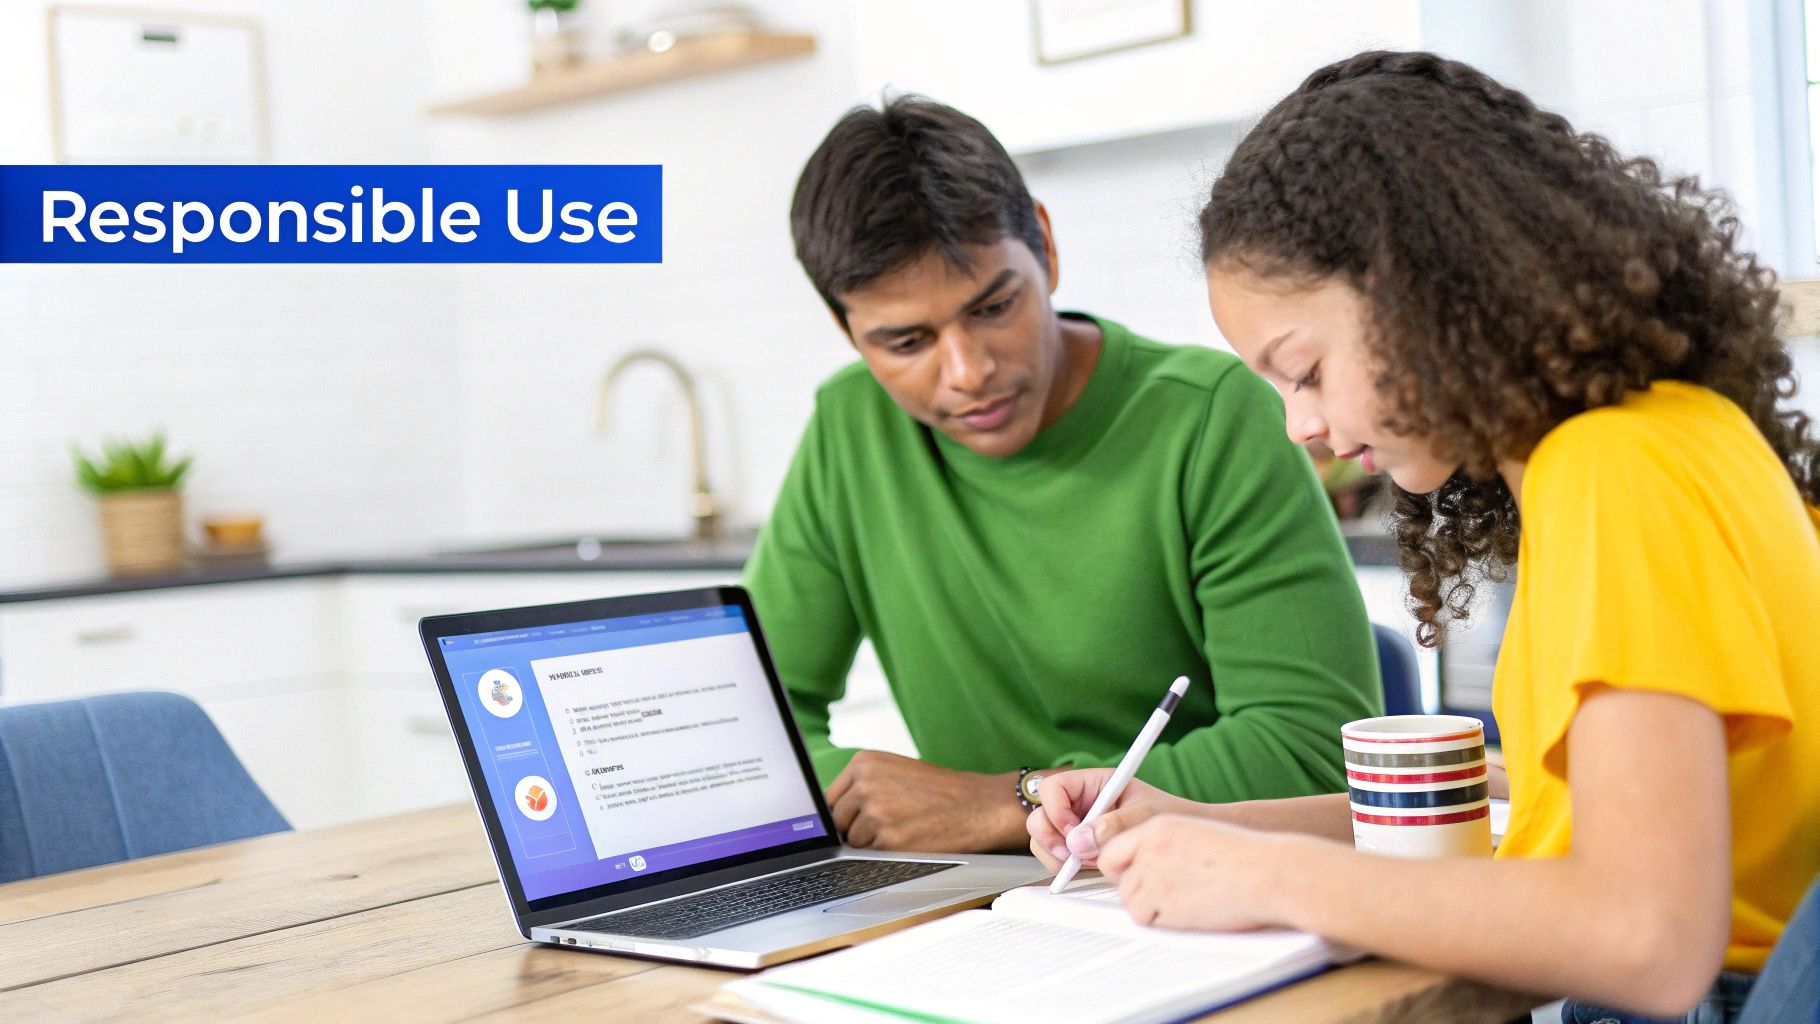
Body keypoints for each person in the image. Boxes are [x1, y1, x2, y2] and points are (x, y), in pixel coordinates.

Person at [1029, 51, 1820, 1022]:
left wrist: (1267, 876)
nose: (1298, 426)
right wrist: (1199, 829)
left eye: (1303, 369)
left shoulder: (1615, 469)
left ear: (1429, 289)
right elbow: (1525, 823)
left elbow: (1644, 937)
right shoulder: (1668, 433)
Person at [742, 95, 1381, 854]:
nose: (969, 372)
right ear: (845, 328)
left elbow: (1309, 753)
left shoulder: (1210, 417)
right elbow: (742, 724)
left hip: (1201, 885)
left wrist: (1003, 805)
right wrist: (868, 793)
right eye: (907, 341)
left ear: (1042, 245)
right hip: (978, 903)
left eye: (993, 307)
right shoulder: (850, 429)